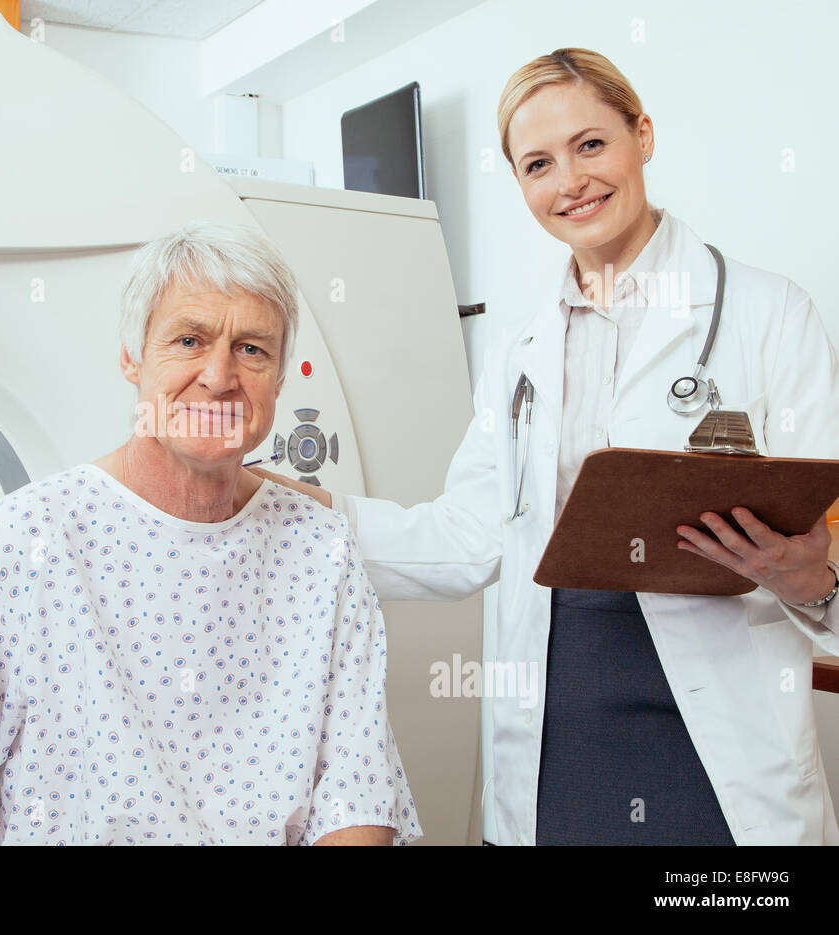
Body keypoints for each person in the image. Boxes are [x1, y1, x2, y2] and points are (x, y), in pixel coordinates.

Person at [253, 48, 839, 845]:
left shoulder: (771, 314)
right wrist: (313, 512)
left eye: (591, 144)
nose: (571, 181)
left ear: (644, 135)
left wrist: (817, 580)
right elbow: (472, 532)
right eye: (538, 163)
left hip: (719, 738)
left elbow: (821, 524)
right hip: (558, 731)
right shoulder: (521, 349)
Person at [0, 220, 422, 845]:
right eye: (189, 341)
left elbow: (355, 800)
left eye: (252, 349)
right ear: (131, 358)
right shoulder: (12, 546)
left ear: (278, 380)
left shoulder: (321, 550)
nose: (219, 376)